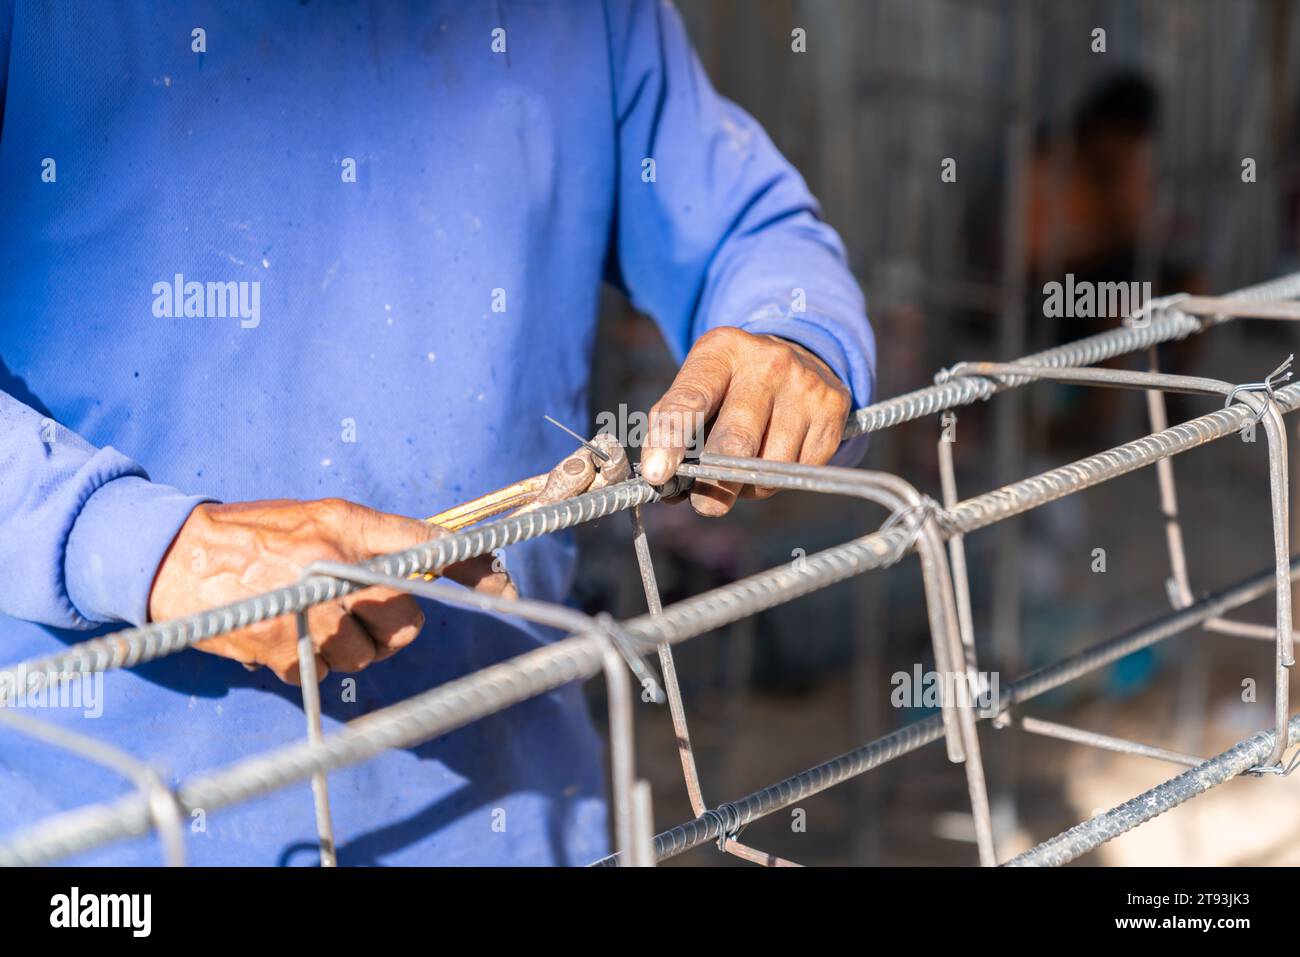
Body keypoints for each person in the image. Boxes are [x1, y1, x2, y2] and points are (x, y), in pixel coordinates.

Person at [0, 0, 874, 865]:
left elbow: (750, 231)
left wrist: (794, 345)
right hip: (109, 831)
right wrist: (157, 550)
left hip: (517, 813)